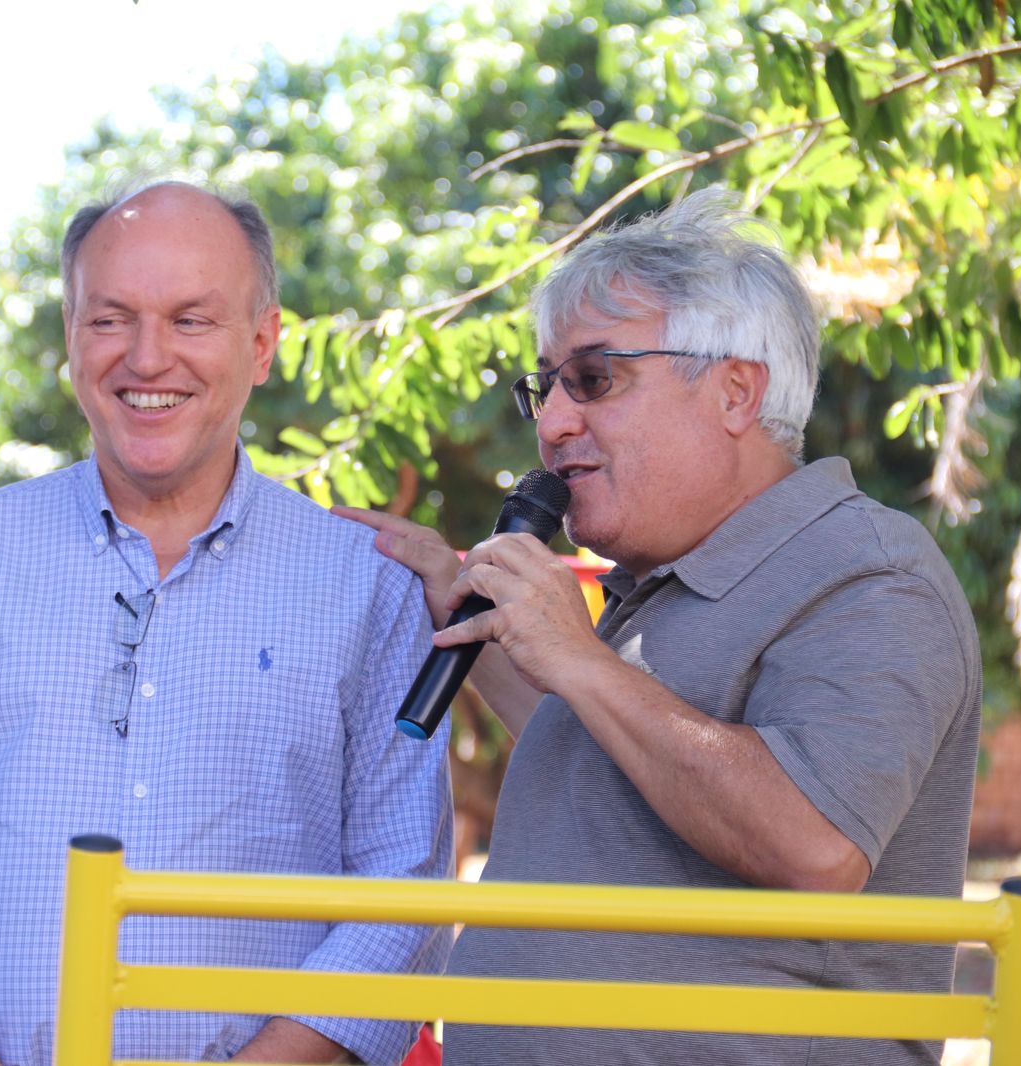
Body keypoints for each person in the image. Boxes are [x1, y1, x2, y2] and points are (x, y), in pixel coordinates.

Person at [0, 180, 452, 1066]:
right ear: (71, 339)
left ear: (262, 344)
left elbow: (403, 890)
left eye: (192, 321)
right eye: (111, 319)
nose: (148, 359)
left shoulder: (364, 588)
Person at [340, 189, 981, 1065]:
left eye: (595, 380)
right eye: (548, 387)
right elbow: (629, 767)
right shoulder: (655, 582)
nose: (554, 423)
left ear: (733, 391)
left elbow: (813, 842)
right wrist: (462, 613)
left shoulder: (870, 571)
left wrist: (578, 658)